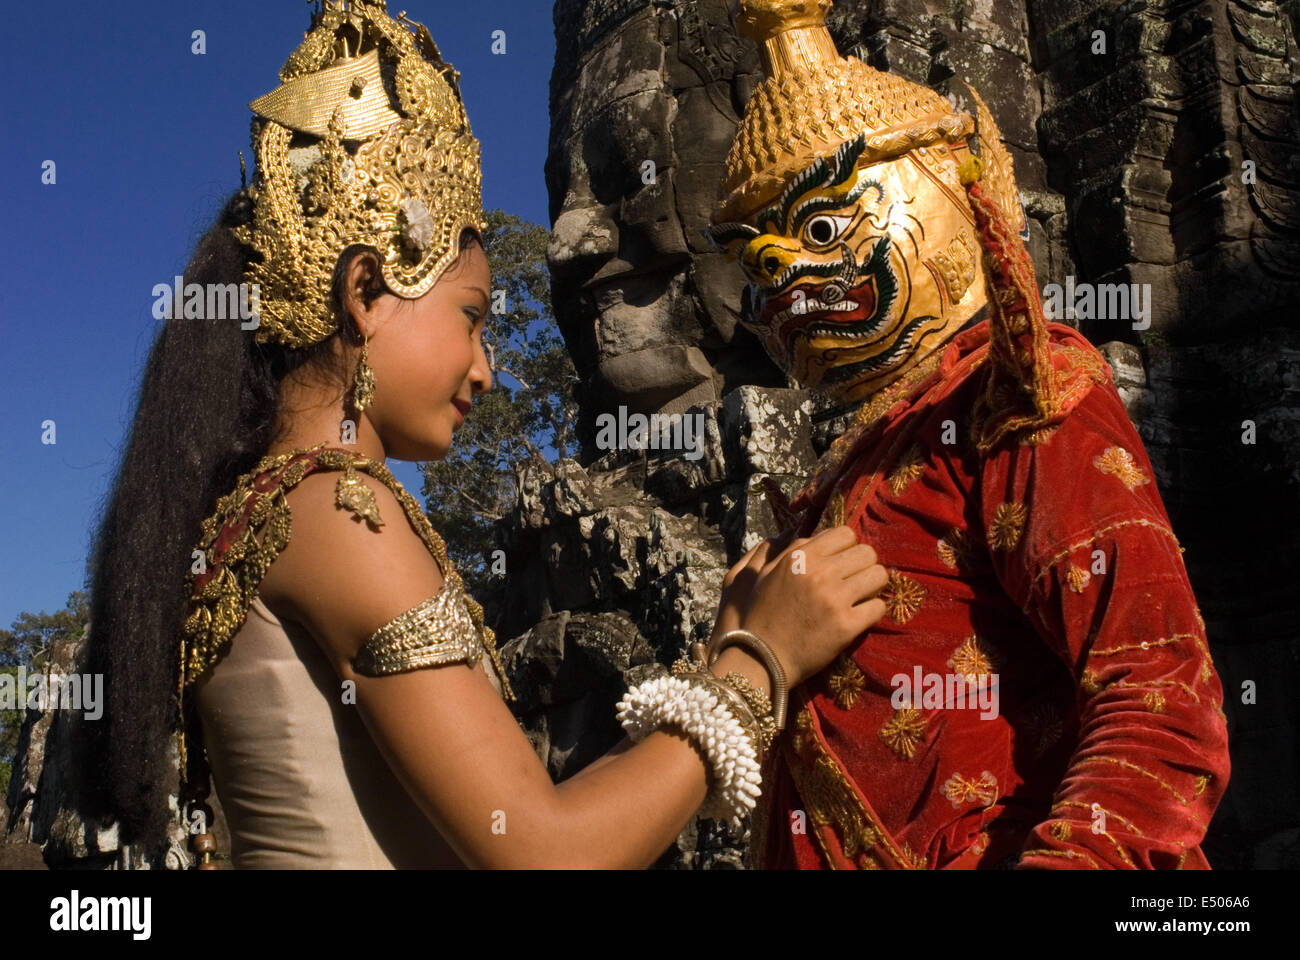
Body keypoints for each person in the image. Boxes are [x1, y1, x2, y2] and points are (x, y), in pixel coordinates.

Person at [79, 0, 888, 870]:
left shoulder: (265, 507)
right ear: (365, 294)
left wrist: (720, 651)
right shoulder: (341, 512)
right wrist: (761, 664)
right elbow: (547, 853)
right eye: (470, 317)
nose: (486, 368)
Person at [704, 0, 1231, 869]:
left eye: (824, 230)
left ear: (943, 186)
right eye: (756, 258)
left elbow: (1161, 696)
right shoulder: (857, 463)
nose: (781, 282)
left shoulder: (1023, 394)